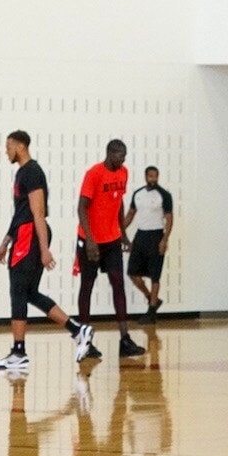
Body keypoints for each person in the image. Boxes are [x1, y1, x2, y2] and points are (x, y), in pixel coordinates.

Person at [0, 130, 93, 372]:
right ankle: (78, 330)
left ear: (21, 146)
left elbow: (38, 213)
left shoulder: (32, 172)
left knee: (18, 292)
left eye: (9, 146)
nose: (6, 151)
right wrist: (6, 241)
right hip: (23, 234)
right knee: (28, 293)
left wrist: (44, 249)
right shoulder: (22, 173)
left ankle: (19, 353)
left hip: (31, 236)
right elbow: (20, 213)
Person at [77, 139, 145, 361]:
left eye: (124, 156)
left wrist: (122, 232)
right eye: (119, 155)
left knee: (118, 284)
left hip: (112, 239)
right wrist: (89, 240)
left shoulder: (123, 172)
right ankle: (85, 341)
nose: (123, 159)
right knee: (87, 286)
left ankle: (125, 339)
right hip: (90, 240)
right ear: (109, 153)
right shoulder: (94, 174)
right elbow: (81, 207)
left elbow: (119, 202)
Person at [126, 165, 174, 321]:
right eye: (150, 176)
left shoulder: (164, 195)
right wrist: (119, 230)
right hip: (141, 235)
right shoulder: (138, 194)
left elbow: (169, 219)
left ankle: (151, 311)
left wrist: (164, 239)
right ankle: (150, 297)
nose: (153, 179)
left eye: (155, 176)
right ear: (145, 177)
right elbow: (130, 214)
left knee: (155, 275)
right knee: (132, 272)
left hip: (156, 235)